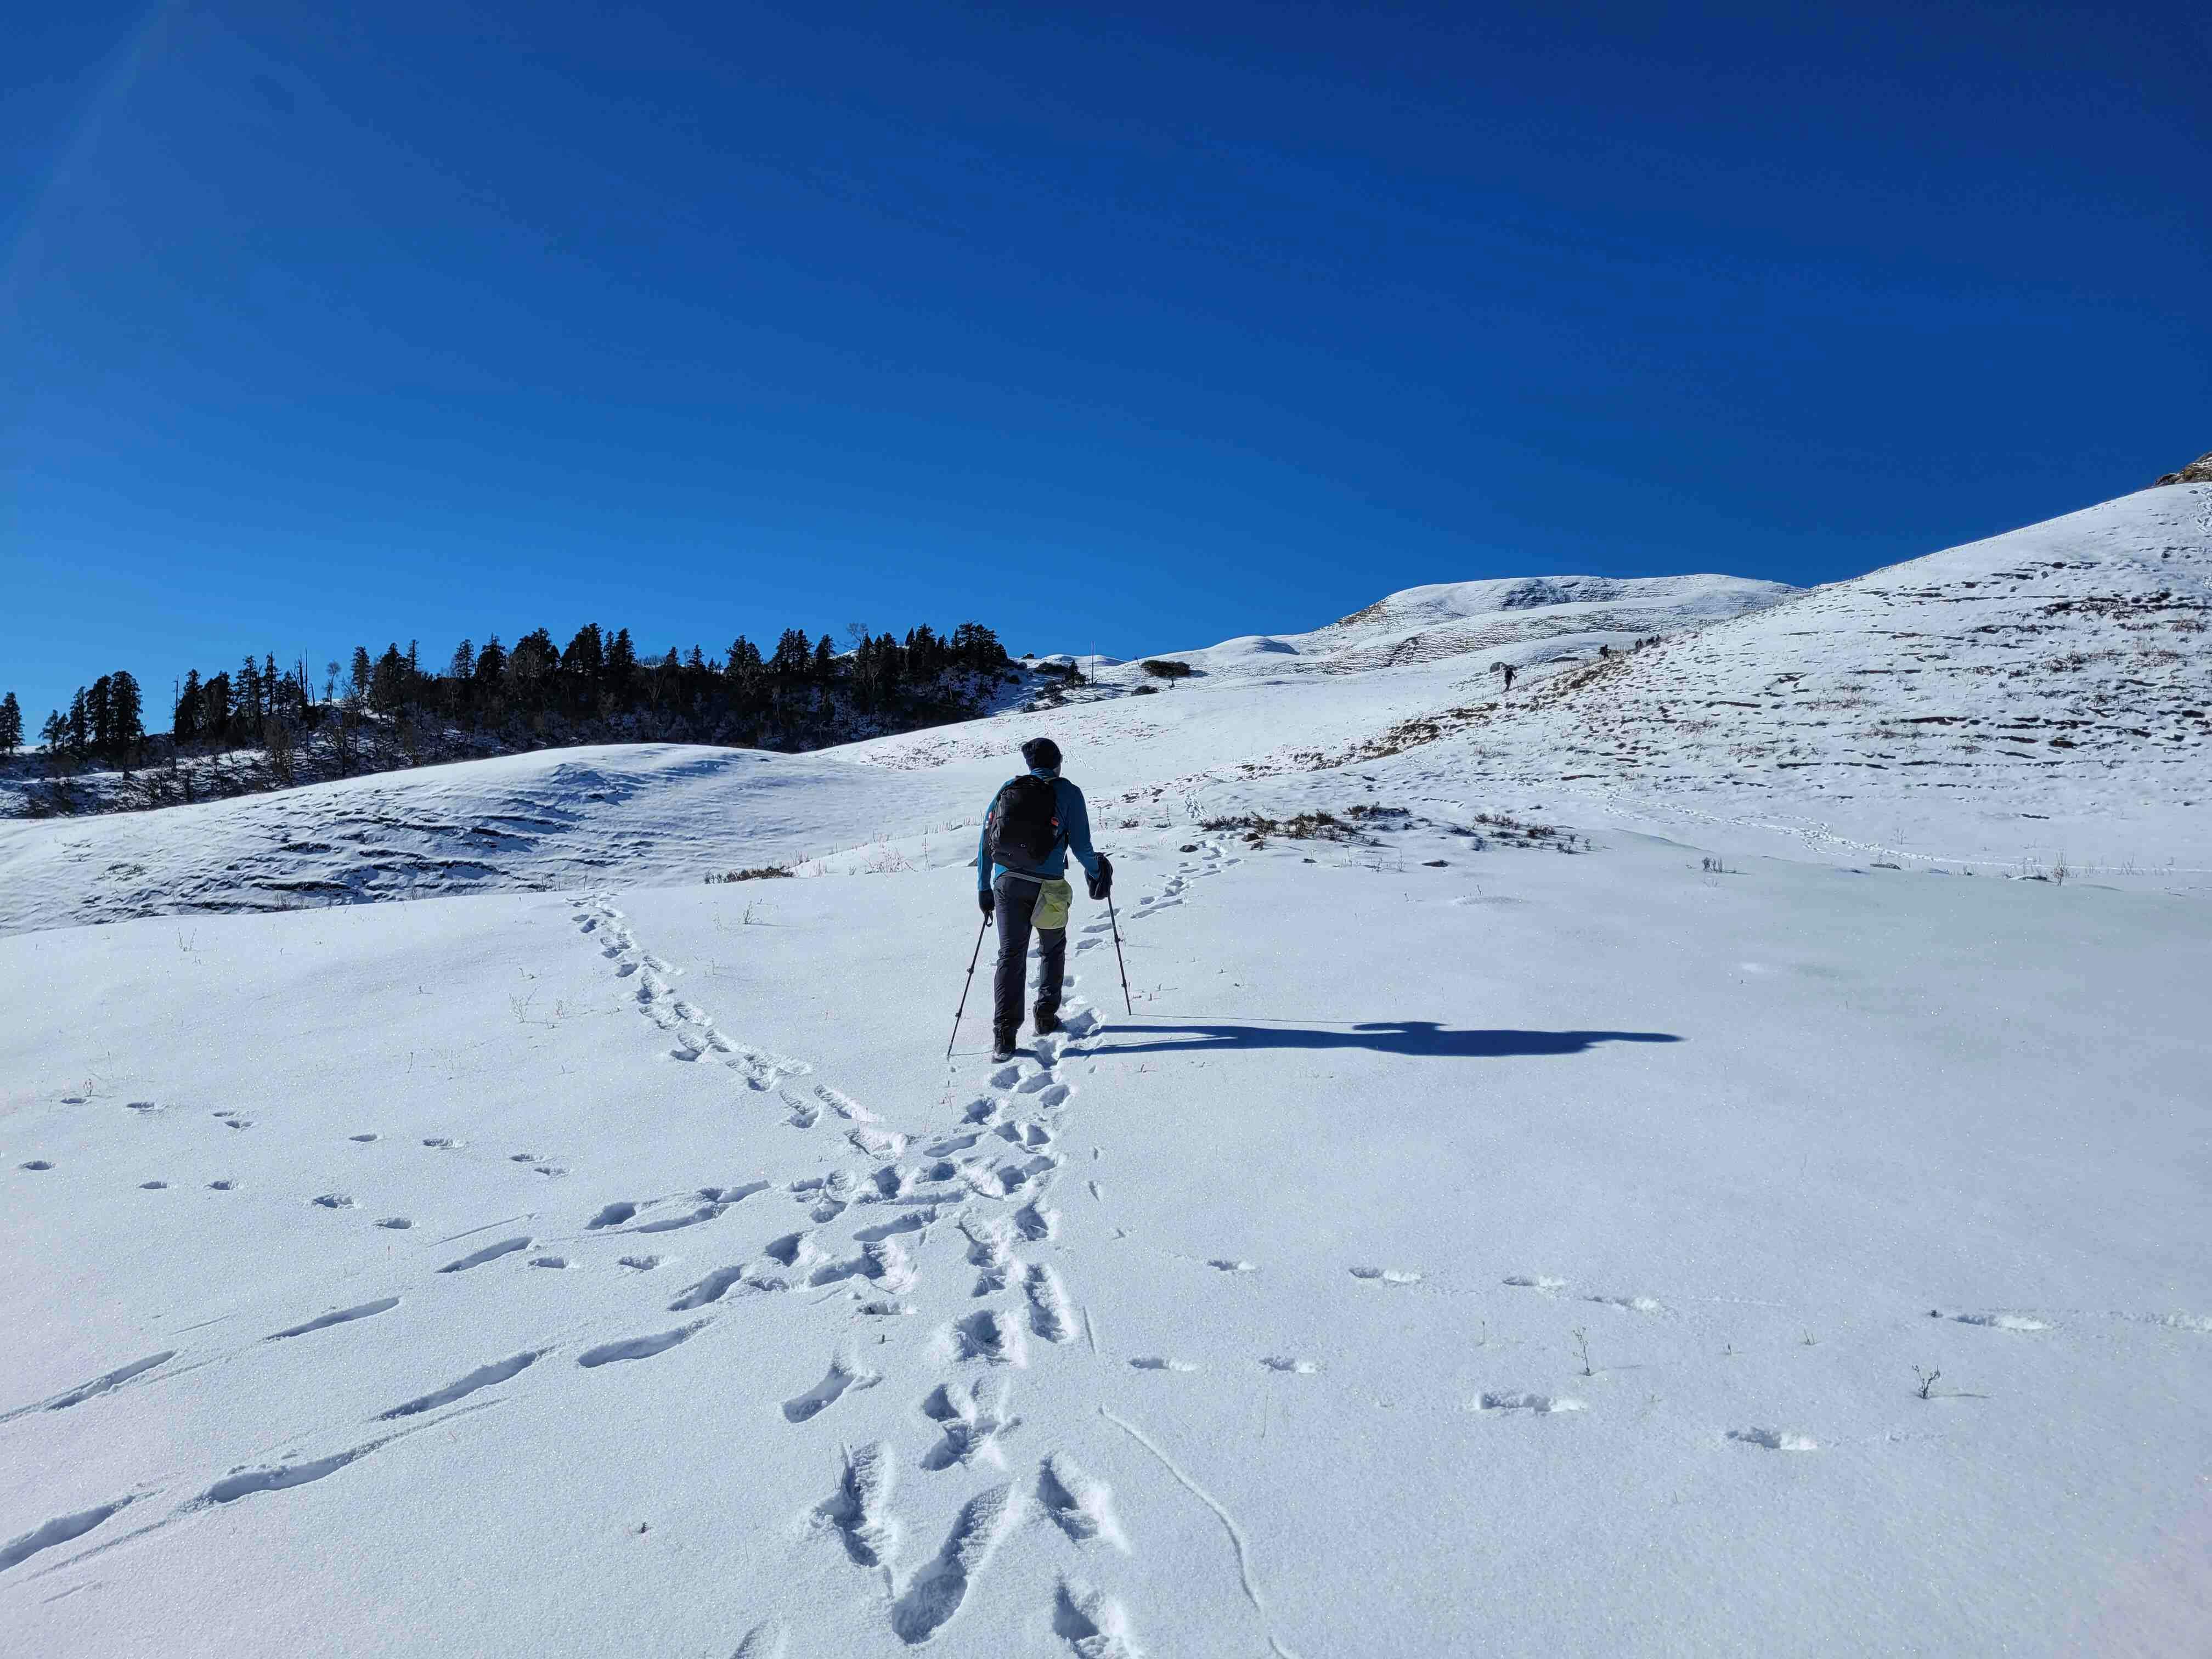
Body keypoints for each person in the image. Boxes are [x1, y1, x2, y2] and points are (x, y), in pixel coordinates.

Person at [977, 737, 1110, 1061]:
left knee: (1011, 955)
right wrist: (1098, 870)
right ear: (1058, 761)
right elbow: (1080, 846)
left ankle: (1005, 1036)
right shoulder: (1068, 792)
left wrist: (983, 886)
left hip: (1006, 883)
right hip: (1048, 885)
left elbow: (986, 838)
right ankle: (1046, 1017)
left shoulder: (1008, 788)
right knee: (1051, 948)